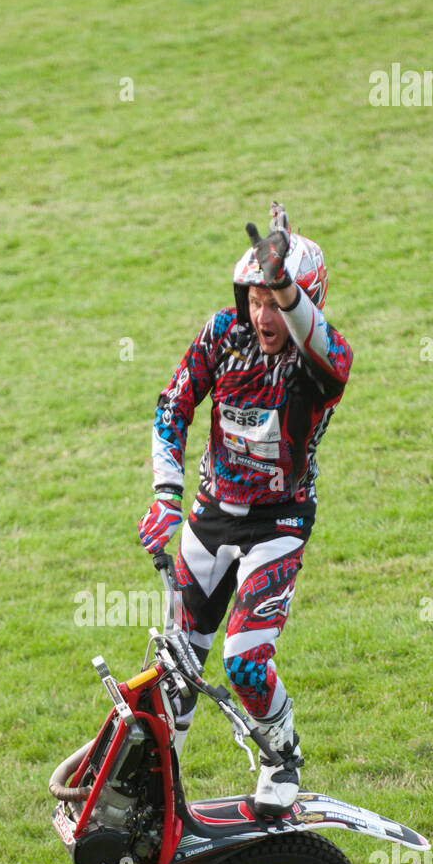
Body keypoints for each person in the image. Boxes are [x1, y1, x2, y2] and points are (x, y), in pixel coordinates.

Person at [137, 202, 353, 815]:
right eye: (252, 298)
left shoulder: (323, 363)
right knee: (176, 669)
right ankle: (159, 793)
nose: (261, 314)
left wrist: (284, 284)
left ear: (302, 301)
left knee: (245, 662)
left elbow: (323, 343)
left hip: (278, 524)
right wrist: (164, 495)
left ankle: (282, 756)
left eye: (275, 301)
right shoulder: (220, 336)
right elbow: (171, 408)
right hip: (210, 517)